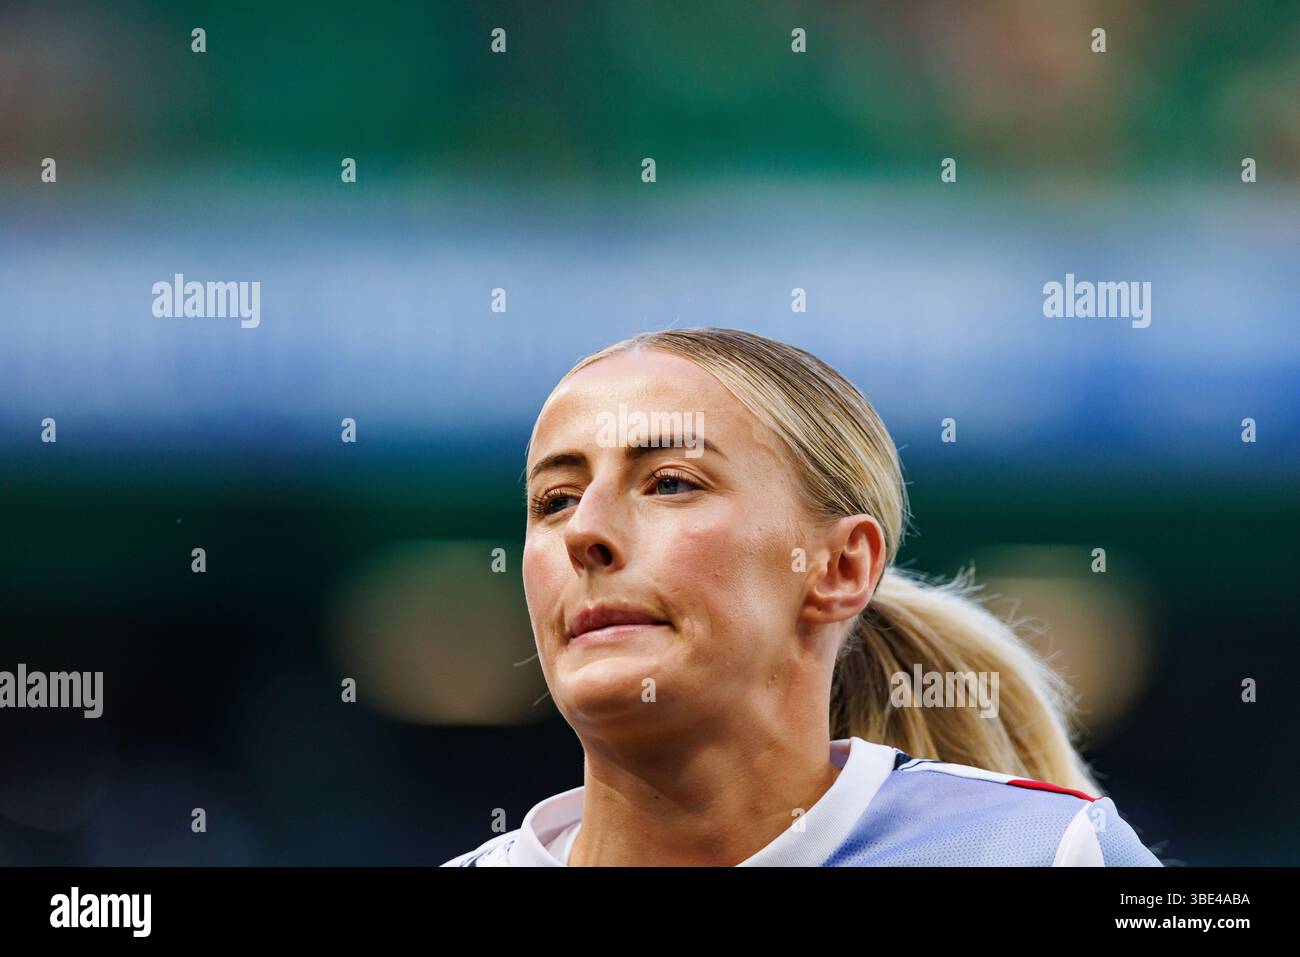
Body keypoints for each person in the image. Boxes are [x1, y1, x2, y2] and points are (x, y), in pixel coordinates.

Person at [443, 328, 1163, 866]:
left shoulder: (1047, 852)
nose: (586, 532)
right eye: (556, 499)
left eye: (668, 482)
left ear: (842, 568)